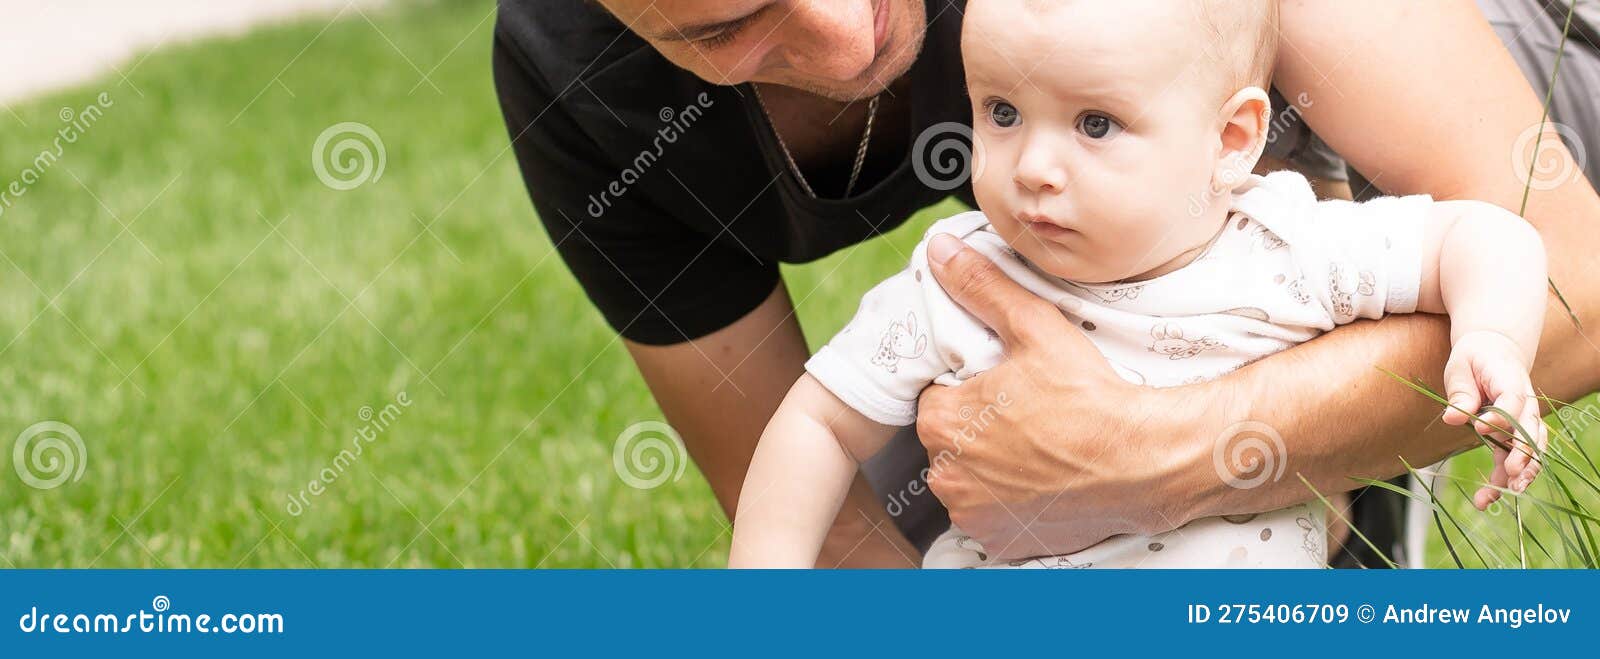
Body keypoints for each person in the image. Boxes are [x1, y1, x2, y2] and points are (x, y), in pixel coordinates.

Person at [493, 0, 1600, 568]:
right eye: (729, 26)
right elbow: (803, 482)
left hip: (1506, 76)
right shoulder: (579, 81)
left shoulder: (1273, 234)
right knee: (951, 468)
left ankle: (1356, 505)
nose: (840, 44)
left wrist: (1146, 455)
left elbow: (1574, 278)